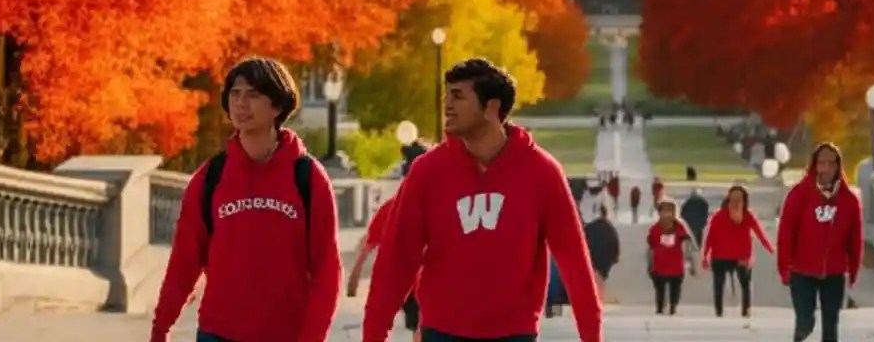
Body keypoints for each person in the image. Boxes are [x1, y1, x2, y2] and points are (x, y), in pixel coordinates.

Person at [363, 58, 602, 342]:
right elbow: (397, 259)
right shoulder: (428, 172)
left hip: (514, 332)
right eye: (446, 95)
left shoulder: (542, 173)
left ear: (492, 107)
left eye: (458, 96)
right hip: (442, 331)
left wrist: (591, 335)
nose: (447, 104)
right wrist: (374, 333)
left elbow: (574, 258)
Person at [151, 56, 342, 342]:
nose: (241, 103)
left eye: (253, 95)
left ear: (277, 106)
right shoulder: (211, 177)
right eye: (235, 94)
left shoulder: (307, 177)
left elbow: (327, 270)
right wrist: (161, 327)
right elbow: (184, 261)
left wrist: (312, 337)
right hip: (219, 333)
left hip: (285, 334)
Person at [777, 142, 863, 342]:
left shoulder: (848, 200)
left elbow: (855, 238)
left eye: (831, 163)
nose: (826, 168)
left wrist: (853, 270)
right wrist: (784, 266)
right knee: (804, 320)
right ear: (814, 165)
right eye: (821, 163)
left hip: (834, 271)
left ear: (837, 167)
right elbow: (786, 233)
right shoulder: (799, 195)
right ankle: (803, 331)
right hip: (802, 270)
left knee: (831, 324)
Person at [347, 184, 421, 342]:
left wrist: (353, 281)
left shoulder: (391, 207)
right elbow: (368, 245)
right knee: (420, 324)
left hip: (414, 284)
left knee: (420, 324)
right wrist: (354, 279)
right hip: (411, 283)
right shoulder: (392, 208)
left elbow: (366, 247)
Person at [702, 184, 774, 318]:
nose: (736, 201)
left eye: (739, 198)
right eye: (733, 198)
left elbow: (760, 233)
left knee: (745, 282)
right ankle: (719, 311)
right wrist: (705, 256)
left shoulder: (748, 216)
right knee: (719, 284)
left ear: (744, 200)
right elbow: (710, 237)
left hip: (741, 256)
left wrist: (771, 249)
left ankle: (745, 310)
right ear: (728, 199)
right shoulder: (719, 216)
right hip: (720, 255)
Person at [646, 198, 697, 315]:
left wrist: (691, 264)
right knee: (660, 289)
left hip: (676, 265)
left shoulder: (680, 228)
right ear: (659, 213)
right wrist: (649, 264)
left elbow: (688, 247)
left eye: (670, 212)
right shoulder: (655, 229)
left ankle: (673, 306)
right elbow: (650, 248)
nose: (667, 215)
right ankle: (660, 306)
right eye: (664, 212)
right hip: (659, 265)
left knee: (675, 289)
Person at [583, 205, 621, 300]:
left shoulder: (590, 227)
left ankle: (595, 298)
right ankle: (598, 298)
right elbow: (614, 241)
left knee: (595, 277)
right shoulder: (609, 227)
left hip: (594, 255)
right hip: (605, 256)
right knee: (600, 278)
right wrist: (615, 256)